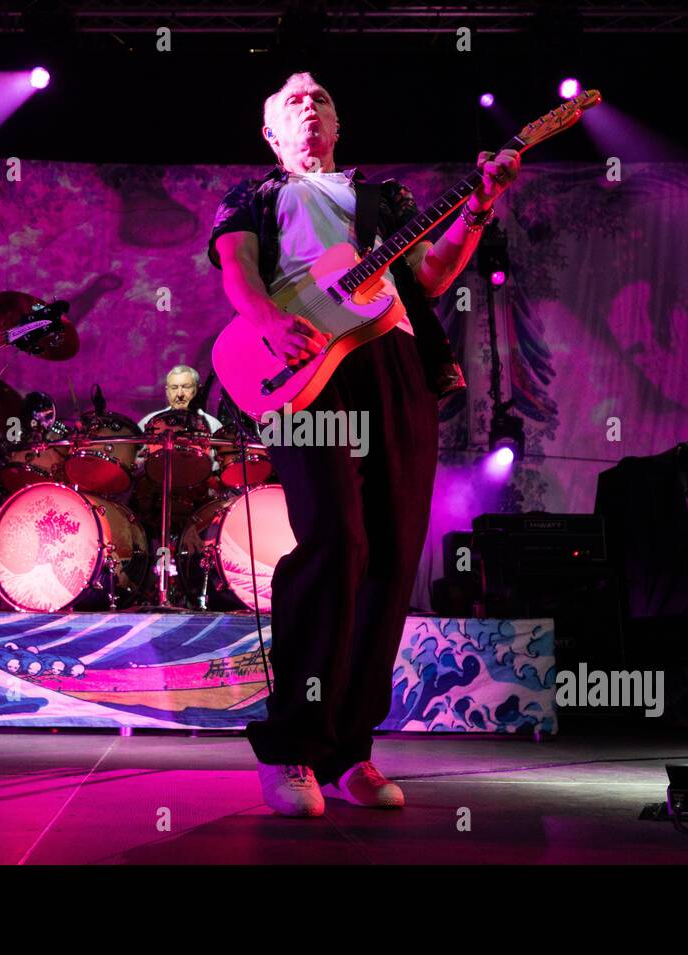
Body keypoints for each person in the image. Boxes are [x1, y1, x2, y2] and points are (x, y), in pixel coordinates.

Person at [209, 71, 522, 816]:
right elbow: (237, 269)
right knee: (335, 540)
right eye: (292, 100)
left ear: (337, 126)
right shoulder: (253, 196)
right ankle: (292, 745)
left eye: (320, 100)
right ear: (271, 133)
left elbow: (435, 274)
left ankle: (351, 749)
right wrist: (266, 323)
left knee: (390, 550)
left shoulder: (385, 200)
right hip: (302, 363)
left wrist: (481, 205)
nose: (308, 106)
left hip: (395, 361)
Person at [137, 365, 223, 433]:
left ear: (198, 390)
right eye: (174, 388)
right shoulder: (148, 423)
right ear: (167, 392)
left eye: (186, 387)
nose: (179, 394)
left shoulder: (213, 426)